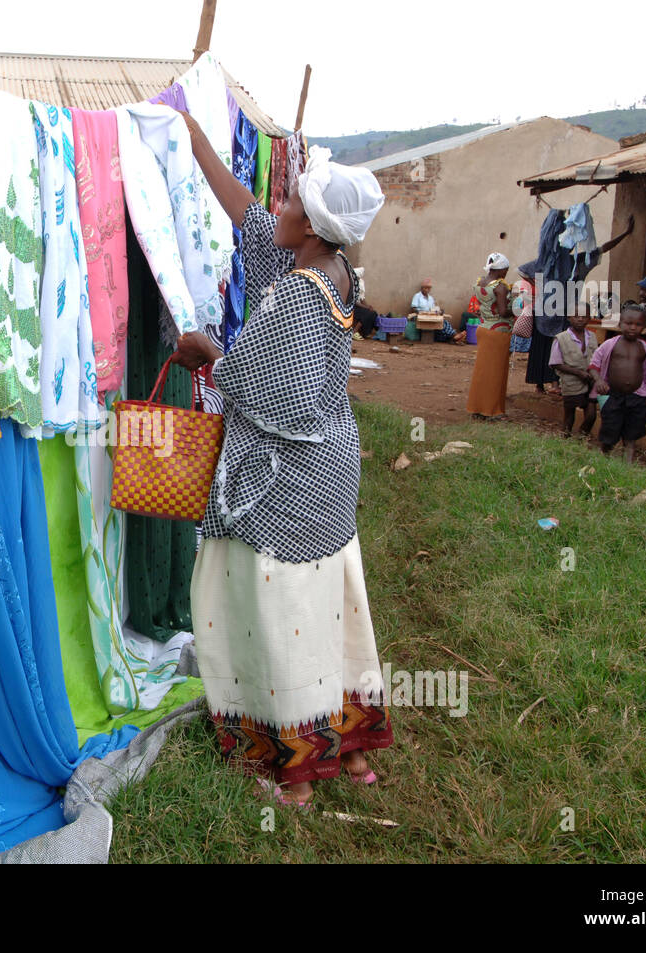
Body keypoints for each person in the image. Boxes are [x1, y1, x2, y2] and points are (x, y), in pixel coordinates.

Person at [171, 114, 393, 808]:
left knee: (273, 613)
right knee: (326, 609)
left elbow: (279, 392)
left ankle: (290, 766)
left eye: (294, 200)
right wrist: (195, 138)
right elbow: (252, 220)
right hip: (328, 475)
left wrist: (208, 355)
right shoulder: (332, 270)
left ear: (317, 222)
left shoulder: (299, 294)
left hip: (284, 482)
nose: (281, 205)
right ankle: (348, 745)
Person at [527, 214, 635, 394]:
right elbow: (523, 271)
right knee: (544, 348)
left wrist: (624, 234)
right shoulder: (546, 262)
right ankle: (541, 385)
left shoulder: (579, 261)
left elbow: (603, 248)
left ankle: (555, 384)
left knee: (560, 347)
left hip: (565, 315)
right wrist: (540, 288)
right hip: (545, 313)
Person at [589, 303, 646, 463]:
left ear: (644, 326)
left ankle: (627, 466)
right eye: (629, 323)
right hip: (614, 395)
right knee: (609, 431)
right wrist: (599, 380)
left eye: (638, 324)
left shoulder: (645, 349)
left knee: (631, 434)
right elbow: (594, 365)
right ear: (620, 323)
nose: (633, 328)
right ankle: (603, 461)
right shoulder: (610, 345)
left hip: (637, 397)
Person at [465, 252, 513, 419]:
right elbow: (503, 311)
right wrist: (517, 308)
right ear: (501, 270)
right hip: (498, 332)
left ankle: (477, 407)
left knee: (482, 371)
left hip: (483, 327)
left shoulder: (480, 283)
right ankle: (491, 410)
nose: (506, 273)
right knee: (495, 372)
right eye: (506, 270)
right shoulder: (500, 287)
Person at [549, 304, 599, 437]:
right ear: (569, 317)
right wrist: (578, 373)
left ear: (589, 318)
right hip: (571, 381)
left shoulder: (592, 337)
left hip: (590, 382)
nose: (580, 319)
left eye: (584, 316)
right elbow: (556, 363)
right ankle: (565, 439)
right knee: (569, 414)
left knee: (591, 415)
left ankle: (580, 440)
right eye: (576, 316)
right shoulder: (561, 338)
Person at [411, 277, 466, 344]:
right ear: (422, 288)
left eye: (429, 288)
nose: (427, 290)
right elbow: (413, 308)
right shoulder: (417, 296)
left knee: (443, 322)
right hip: (420, 317)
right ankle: (454, 337)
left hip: (430, 316)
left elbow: (433, 309)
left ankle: (454, 337)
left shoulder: (430, 298)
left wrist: (439, 311)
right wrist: (420, 312)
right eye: (425, 288)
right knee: (438, 326)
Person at [510, 262, 536, 354]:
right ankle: (518, 347)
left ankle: (526, 347)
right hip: (527, 307)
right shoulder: (526, 282)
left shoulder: (540, 281)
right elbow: (524, 295)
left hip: (536, 308)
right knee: (523, 325)